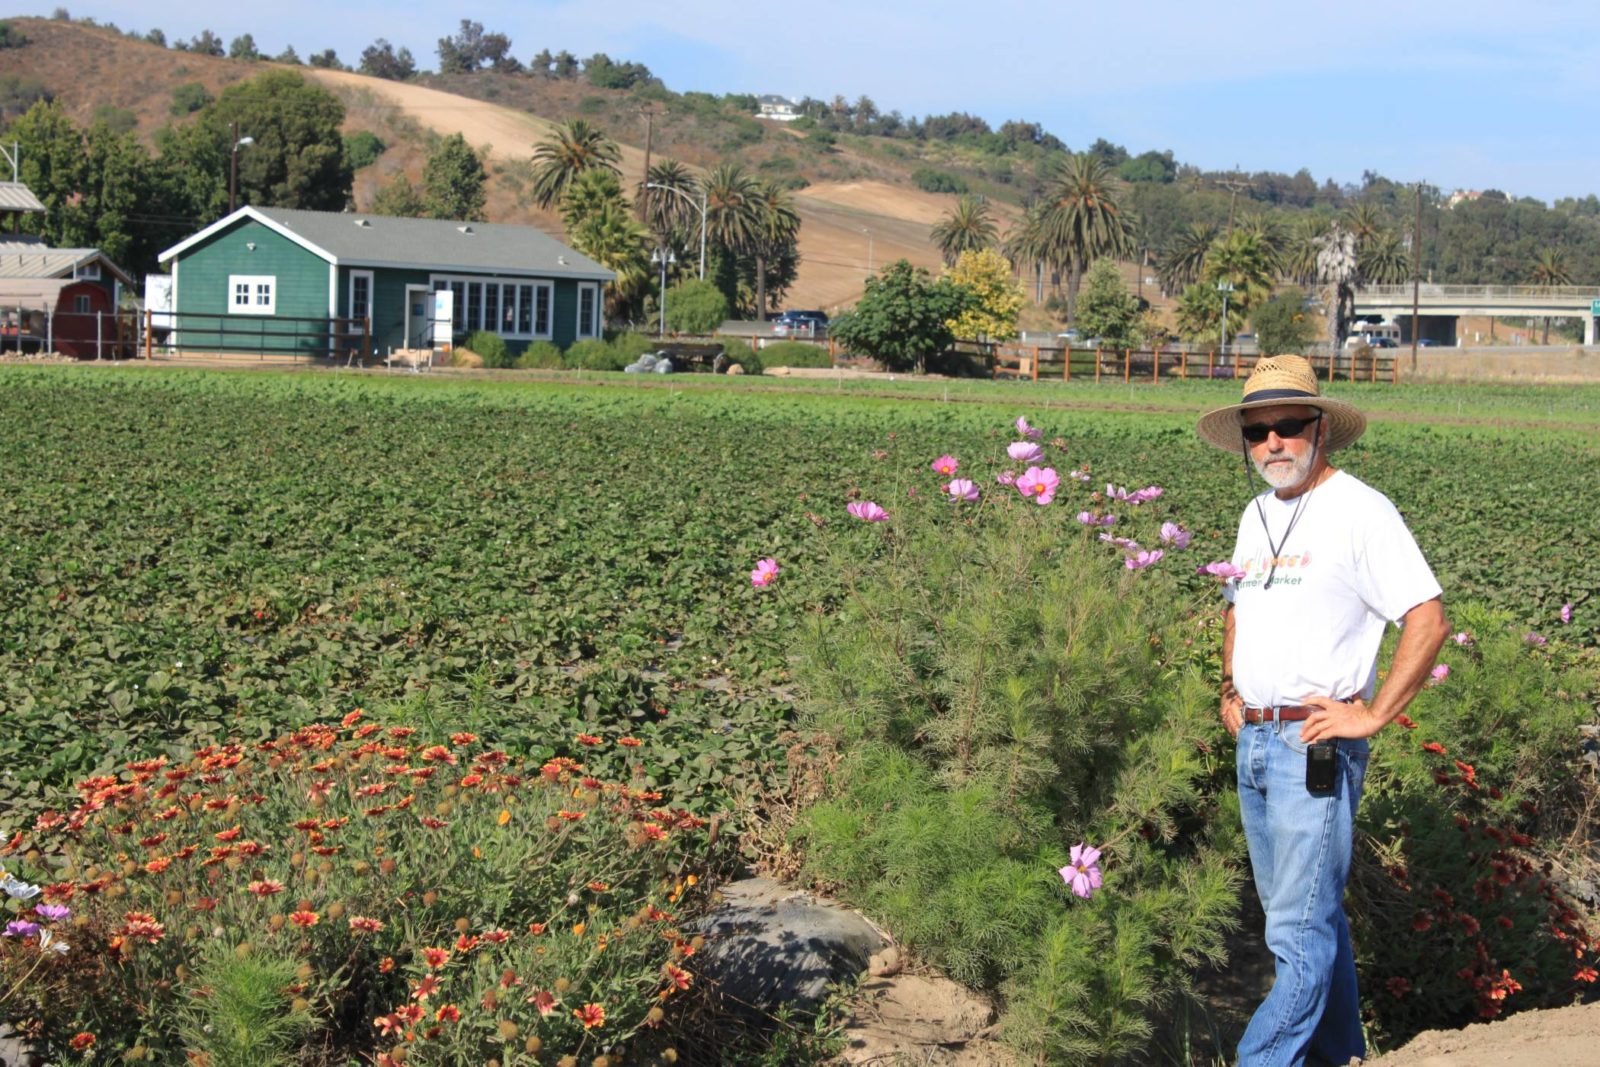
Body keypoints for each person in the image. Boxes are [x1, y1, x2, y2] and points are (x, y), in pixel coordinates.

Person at [1195, 355, 1450, 1067]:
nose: (1273, 442)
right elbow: (1236, 606)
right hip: (1255, 740)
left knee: (1296, 929)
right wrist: (1228, 687)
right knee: (1310, 917)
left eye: (1287, 426)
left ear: (1320, 428)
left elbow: (1426, 618)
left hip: (1313, 745)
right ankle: (1341, 1055)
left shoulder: (1361, 511)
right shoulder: (1255, 514)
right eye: (1257, 431)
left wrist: (1370, 717)